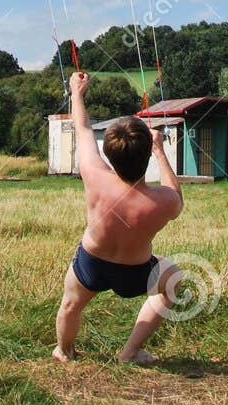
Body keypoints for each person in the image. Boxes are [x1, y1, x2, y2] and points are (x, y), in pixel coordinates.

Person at [53, 69, 183, 367]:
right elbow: (177, 197)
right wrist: (160, 150)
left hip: (91, 263)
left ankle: (64, 351)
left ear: (109, 154)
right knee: (174, 280)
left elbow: (83, 129)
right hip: (135, 271)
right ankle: (130, 352)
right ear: (146, 155)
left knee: (71, 304)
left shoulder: (94, 174)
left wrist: (76, 92)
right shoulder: (163, 202)